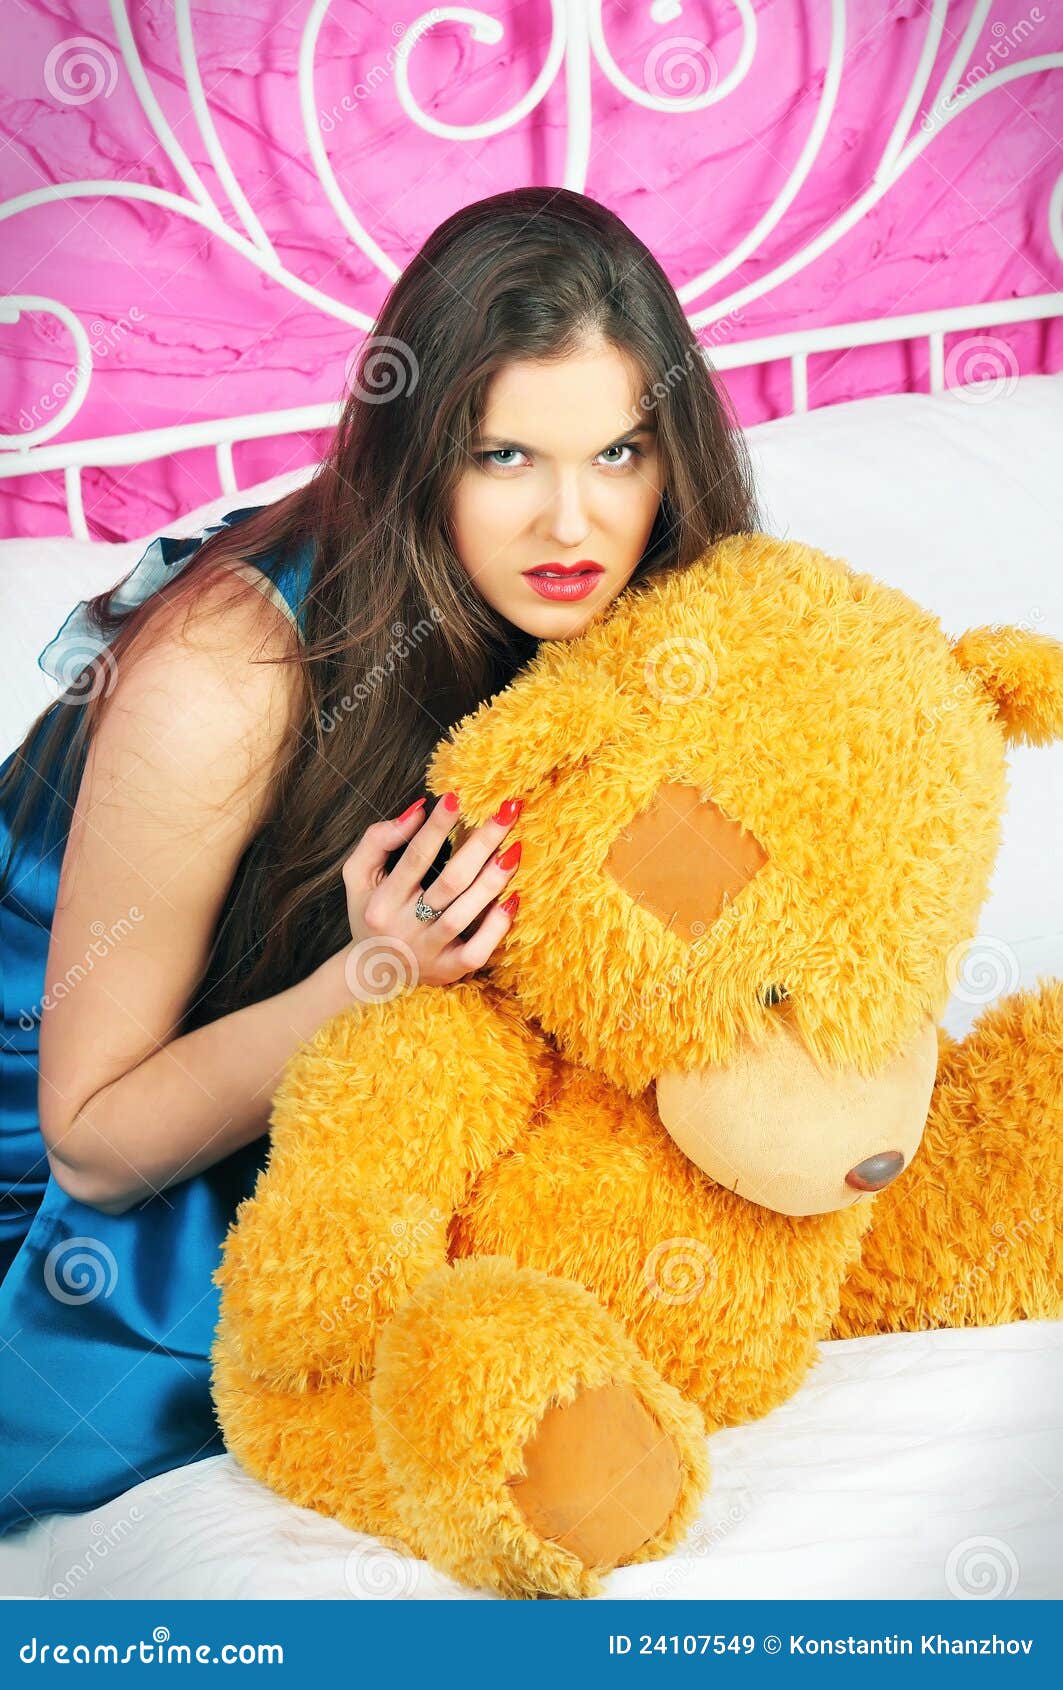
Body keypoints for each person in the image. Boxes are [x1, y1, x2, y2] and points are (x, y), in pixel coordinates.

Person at [0, 185, 761, 1535]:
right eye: (505, 457)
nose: (573, 525)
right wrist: (369, 977)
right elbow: (94, 1143)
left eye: (618, 453)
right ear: (419, 457)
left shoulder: (653, 607)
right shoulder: (222, 673)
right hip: (77, 1158)